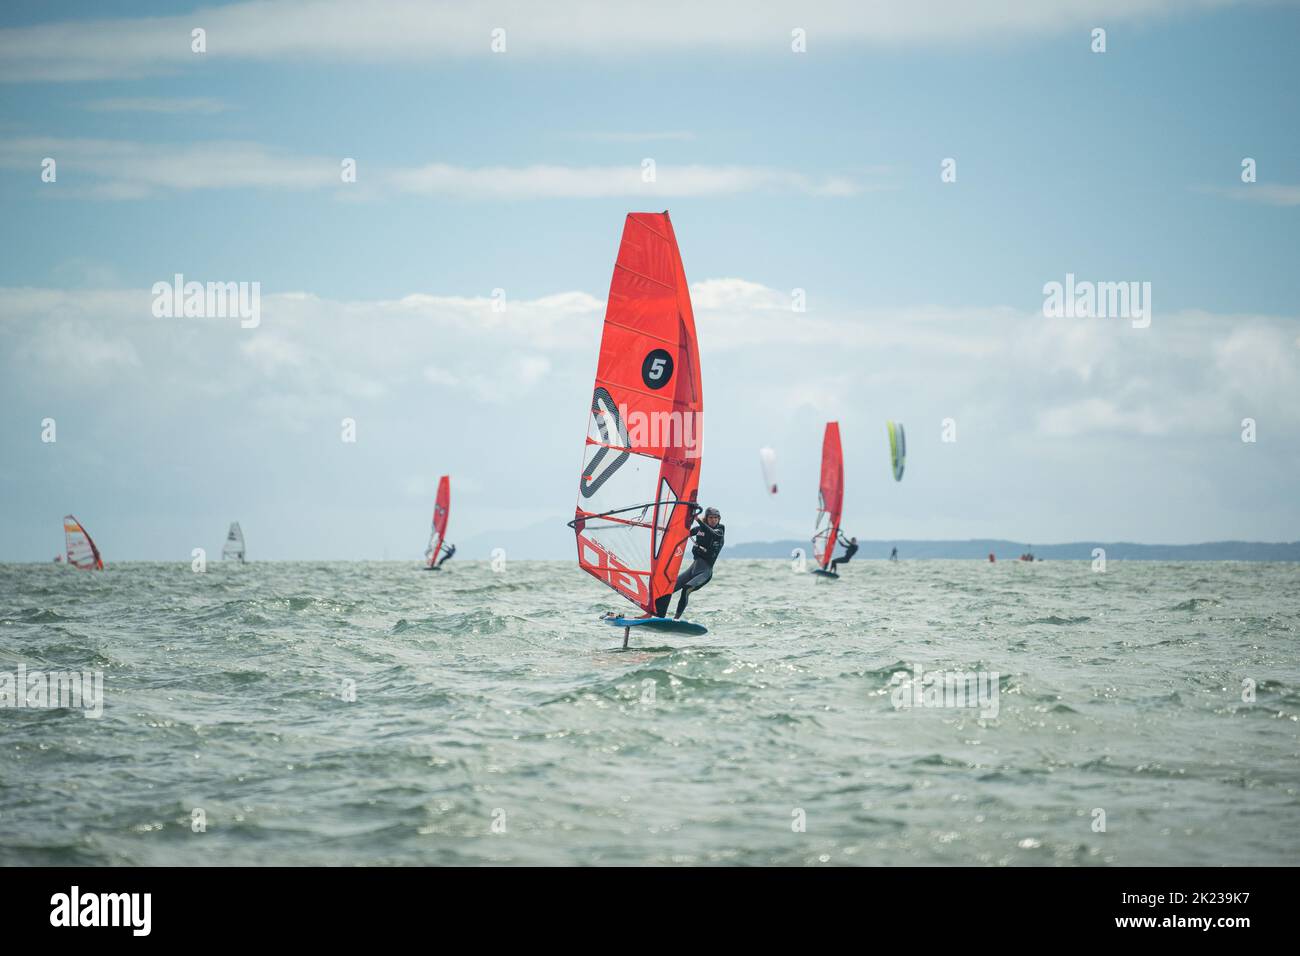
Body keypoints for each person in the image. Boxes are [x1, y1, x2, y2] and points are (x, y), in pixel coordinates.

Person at [655, 506, 724, 619]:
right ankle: (655, 614)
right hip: (693, 569)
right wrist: (666, 530)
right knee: (667, 588)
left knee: (686, 588)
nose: (714, 520)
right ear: (706, 518)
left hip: (705, 572)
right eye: (711, 517)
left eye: (716, 518)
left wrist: (697, 520)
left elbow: (712, 534)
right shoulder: (699, 530)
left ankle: (676, 619)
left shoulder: (720, 531)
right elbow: (682, 534)